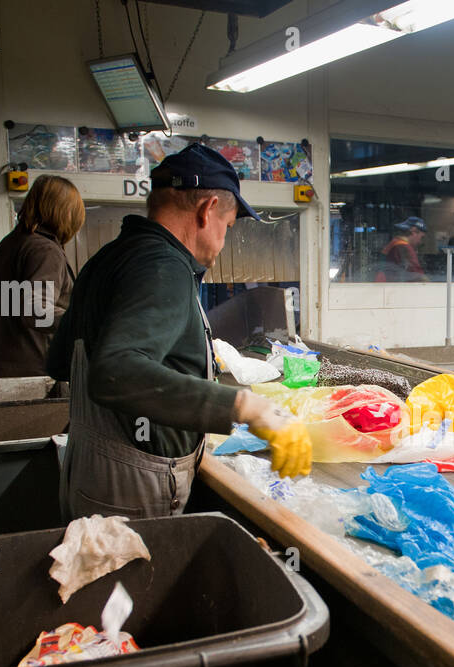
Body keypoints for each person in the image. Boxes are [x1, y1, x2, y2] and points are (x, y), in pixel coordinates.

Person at [45, 143, 310, 521]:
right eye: (228, 228)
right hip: (132, 488)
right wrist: (246, 407)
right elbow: (115, 372)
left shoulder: (107, 259)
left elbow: (59, 362)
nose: (222, 243)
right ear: (208, 211)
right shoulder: (164, 267)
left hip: (88, 472)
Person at [0, 174, 84, 378]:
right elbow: (36, 309)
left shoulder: (9, 245)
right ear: (65, 212)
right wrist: (84, 320)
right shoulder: (44, 250)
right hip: (31, 369)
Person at [376, 216, 428, 281]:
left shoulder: (395, 242)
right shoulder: (404, 247)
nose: (420, 242)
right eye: (422, 237)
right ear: (413, 231)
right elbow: (418, 275)